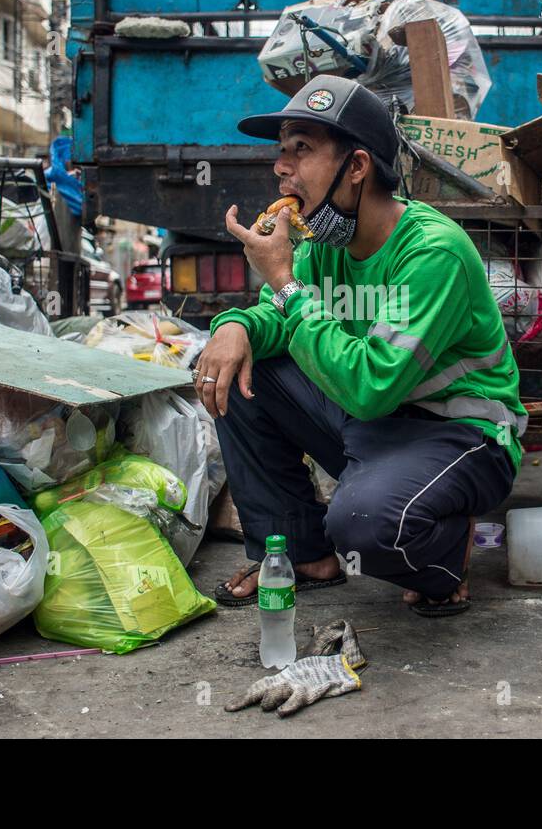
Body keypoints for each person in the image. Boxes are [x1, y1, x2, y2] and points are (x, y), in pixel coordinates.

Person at [194, 74, 525, 617]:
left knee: (363, 525)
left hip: (459, 435)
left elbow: (372, 387)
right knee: (235, 366)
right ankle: (301, 555)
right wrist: (235, 326)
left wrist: (285, 284)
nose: (281, 168)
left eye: (301, 150)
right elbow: (276, 320)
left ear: (356, 167)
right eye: (281, 152)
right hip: (375, 426)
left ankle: (443, 555)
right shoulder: (325, 243)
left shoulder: (431, 252)